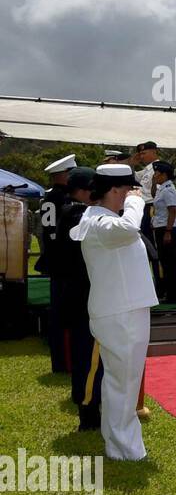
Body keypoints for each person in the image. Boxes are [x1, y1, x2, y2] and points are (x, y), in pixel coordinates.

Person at [69, 163, 157, 461]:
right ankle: (124, 449)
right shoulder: (101, 221)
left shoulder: (104, 219)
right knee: (123, 383)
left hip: (125, 309)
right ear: (115, 191)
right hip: (120, 312)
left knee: (122, 382)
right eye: (126, 191)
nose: (129, 197)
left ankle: (120, 444)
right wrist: (135, 202)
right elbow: (130, 229)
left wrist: (131, 202)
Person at [54, 167, 103, 431]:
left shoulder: (72, 210)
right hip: (82, 298)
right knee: (88, 357)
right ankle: (88, 409)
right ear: (86, 191)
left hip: (80, 295)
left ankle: (90, 402)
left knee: (88, 355)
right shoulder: (76, 212)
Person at [37, 154, 77, 373]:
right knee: (62, 312)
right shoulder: (60, 198)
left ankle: (62, 359)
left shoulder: (50, 196)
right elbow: (55, 233)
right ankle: (63, 361)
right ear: (63, 175)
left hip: (56, 259)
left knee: (60, 311)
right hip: (62, 260)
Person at [150, 160, 176, 303]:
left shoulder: (168, 189)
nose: (155, 175)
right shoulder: (162, 187)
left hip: (168, 229)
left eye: (156, 173)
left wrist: (168, 232)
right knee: (165, 262)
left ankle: (174, 296)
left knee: (170, 264)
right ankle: (169, 293)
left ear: (164, 174)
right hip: (161, 227)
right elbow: (154, 196)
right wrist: (152, 182)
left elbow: (172, 211)